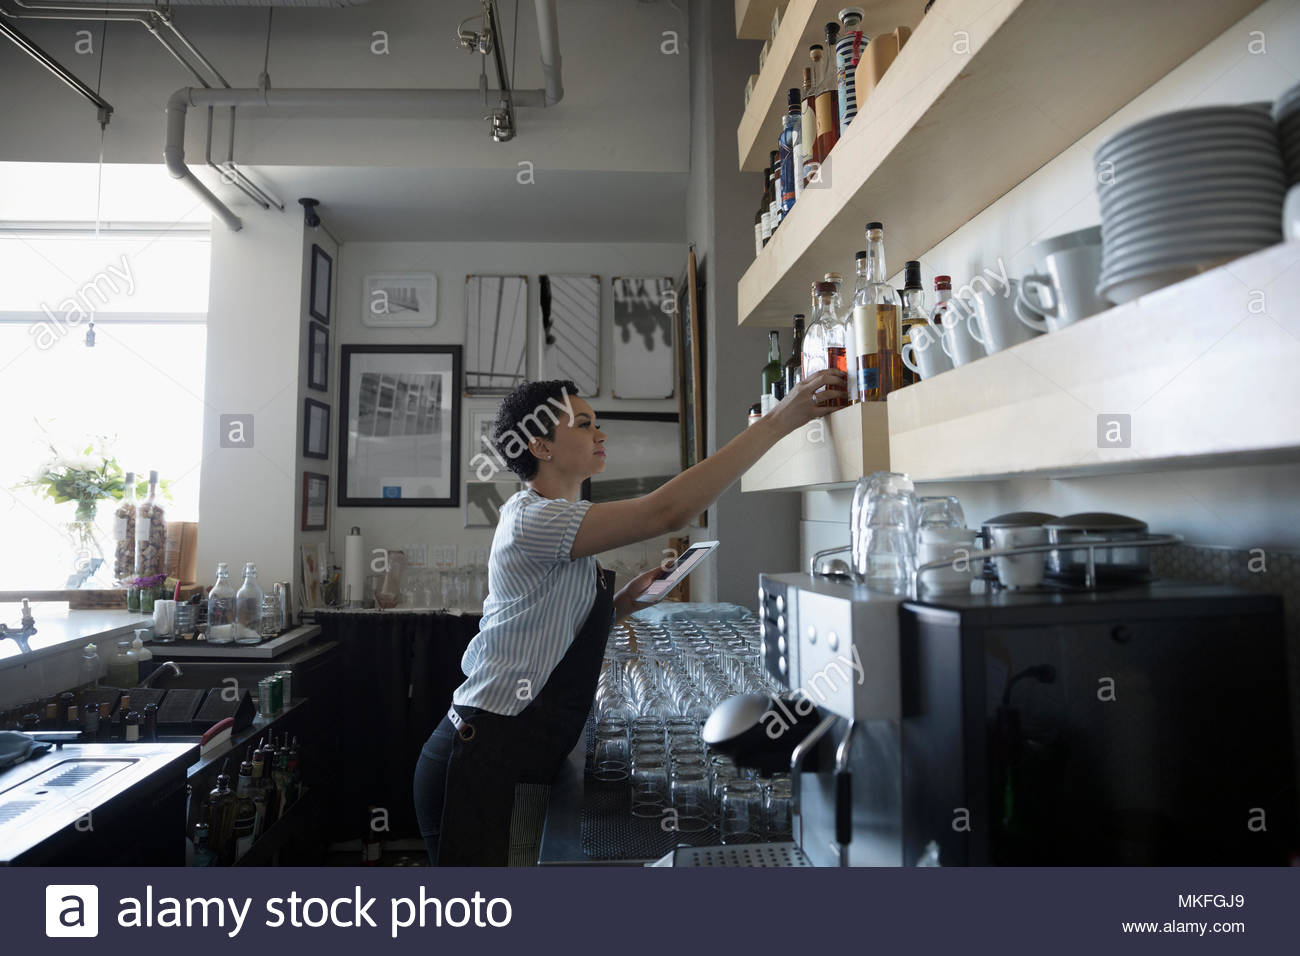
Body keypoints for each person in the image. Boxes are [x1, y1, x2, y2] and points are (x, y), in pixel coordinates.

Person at [413, 368, 847, 865]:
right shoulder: (532, 519)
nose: (599, 433)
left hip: (517, 752)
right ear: (541, 447)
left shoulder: (562, 522)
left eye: (596, 423)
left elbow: (560, 628)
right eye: (582, 424)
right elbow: (666, 513)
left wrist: (627, 604)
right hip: (478, 754)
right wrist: (777, 421)